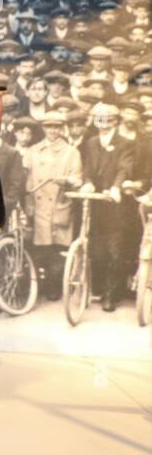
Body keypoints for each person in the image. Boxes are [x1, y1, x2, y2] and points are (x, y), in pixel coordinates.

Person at [79, 104, 134, 311]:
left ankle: (111, 295)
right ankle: (98, 290)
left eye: (108, 120)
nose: (103, 125)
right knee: (96, 250)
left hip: (115, 206)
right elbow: (87, 168)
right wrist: (88, 182)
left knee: (114, 252)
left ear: (116, 122)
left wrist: (116, 188)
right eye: (99, 120)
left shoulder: (126, 144)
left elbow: (124, 168)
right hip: (95, 204)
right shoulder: (91, 142)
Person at [25, 113, 81, 301]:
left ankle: (54, 286)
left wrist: (66, 180)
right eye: (49, 126)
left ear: (62, 128)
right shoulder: (33, 150)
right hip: (37, 206)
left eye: (57, 127)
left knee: (57, 250)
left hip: (59, 205)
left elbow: (77, 179)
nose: (53, 130)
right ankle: (39, 285)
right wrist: (28, 205)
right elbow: (28, 180)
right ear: (43, 128)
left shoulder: (71, 152)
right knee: (40, 248)